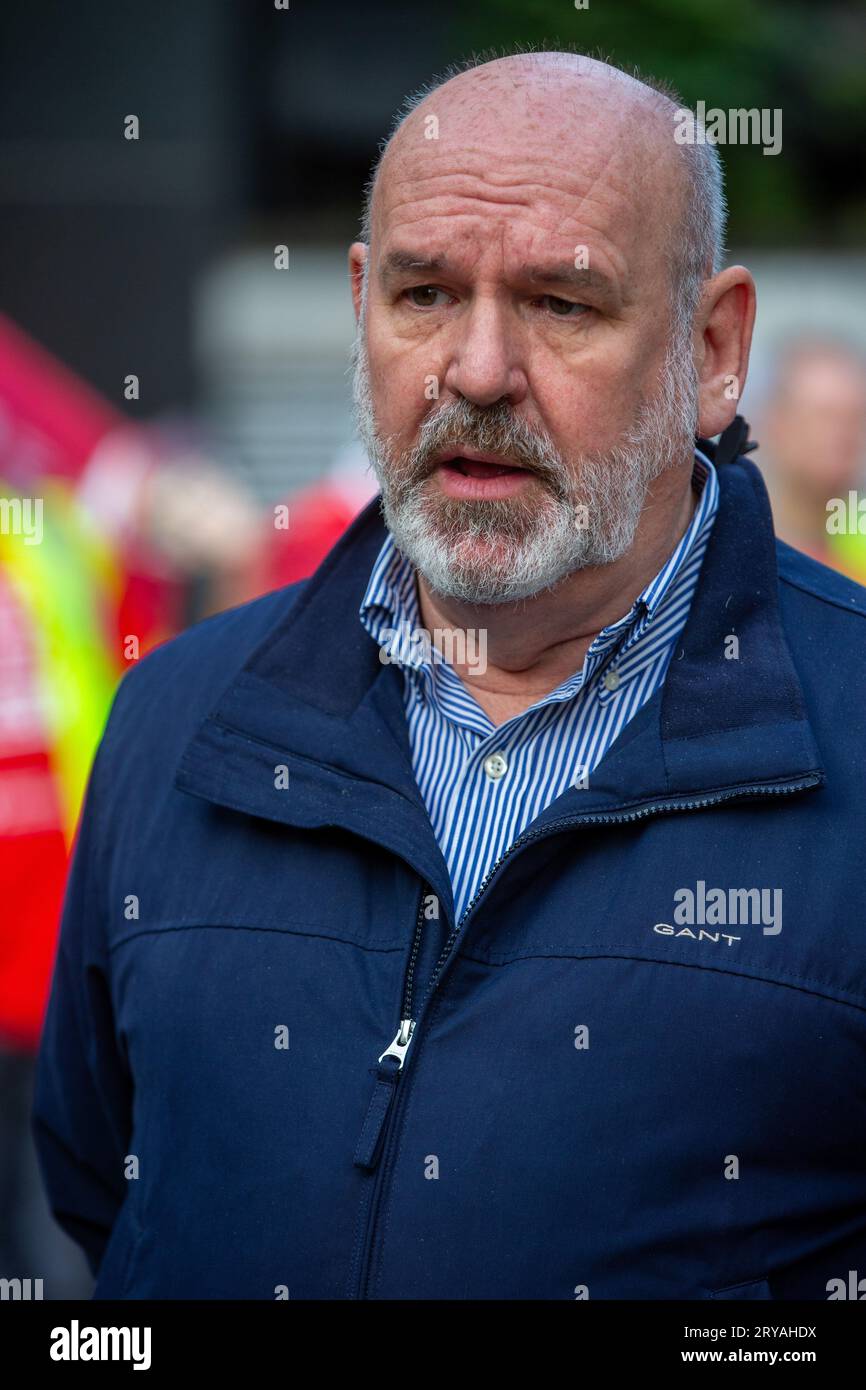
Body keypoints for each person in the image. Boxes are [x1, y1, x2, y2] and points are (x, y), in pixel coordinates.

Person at [32, 51, 866, 1301]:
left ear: (709, 347)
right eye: (424, 294)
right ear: (361, 303)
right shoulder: (174, 722)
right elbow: (108, 1195)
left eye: (559, 304)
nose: (475, 372)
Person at [758, 337, 866, 582]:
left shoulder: (859, 544)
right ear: (777, 424)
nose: (845, 434)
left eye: (855, 418)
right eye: (825, 417)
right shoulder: (737, 540)